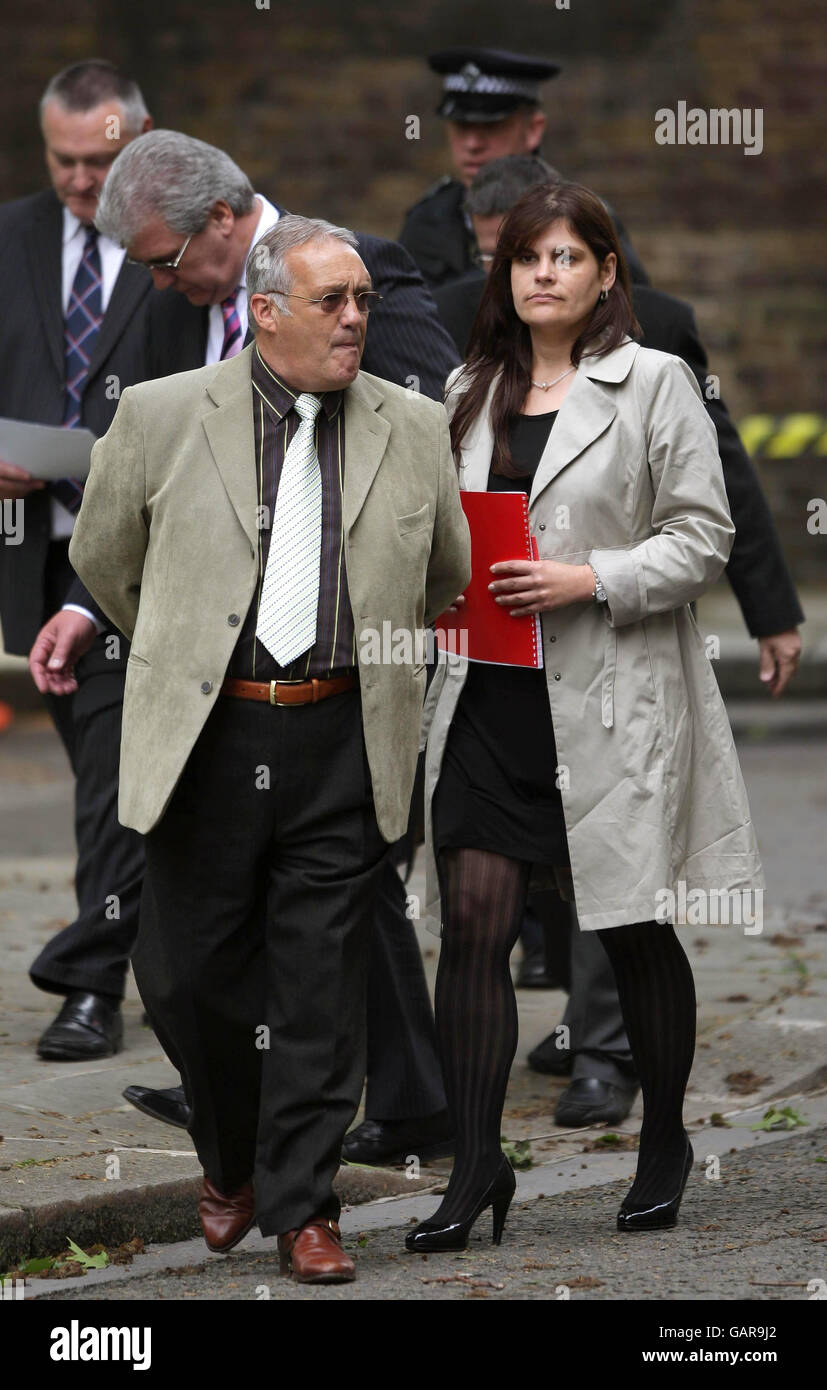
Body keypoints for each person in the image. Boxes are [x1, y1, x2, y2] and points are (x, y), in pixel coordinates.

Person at [36, 128, 459, 1162]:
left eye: (165, 260)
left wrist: (367, 635)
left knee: (336, 907)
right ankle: (357, 1097)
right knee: (246, 932)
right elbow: (143, 515)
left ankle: (344, 1120)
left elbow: (418, 484)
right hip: (222, 684)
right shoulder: (186, 307)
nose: (156, 282)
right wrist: (121, 616)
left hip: (348, 677)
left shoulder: (353, 282)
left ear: (221, 223)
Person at [406, 181, 764, 1253]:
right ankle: (476, 1168)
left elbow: (702, 536)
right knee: (471, 928)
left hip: (609, 695)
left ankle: (663, 1141)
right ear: (503, 276)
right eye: (526, 258)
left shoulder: (653, 380)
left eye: (566, 256)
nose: (543, 274)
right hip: (485, 696)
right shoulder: (467, 388)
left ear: (607, 271)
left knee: (629, 924)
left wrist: (585, 577)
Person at [0, 61, 154, 1061]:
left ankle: (91, 980)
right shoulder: (8, 238)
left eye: (101, 161)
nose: (82, 180)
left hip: (142, 556)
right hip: (30, 552)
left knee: (107, 762)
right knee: (97, 756)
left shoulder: (173, 241)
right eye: (65, 160)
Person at [400, 46, 647, 288]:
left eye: (491, 127)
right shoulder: (427, 220)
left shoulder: (585, 217)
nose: (472, 144)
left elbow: (635, 311)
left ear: (533, 130)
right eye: (461, 127)